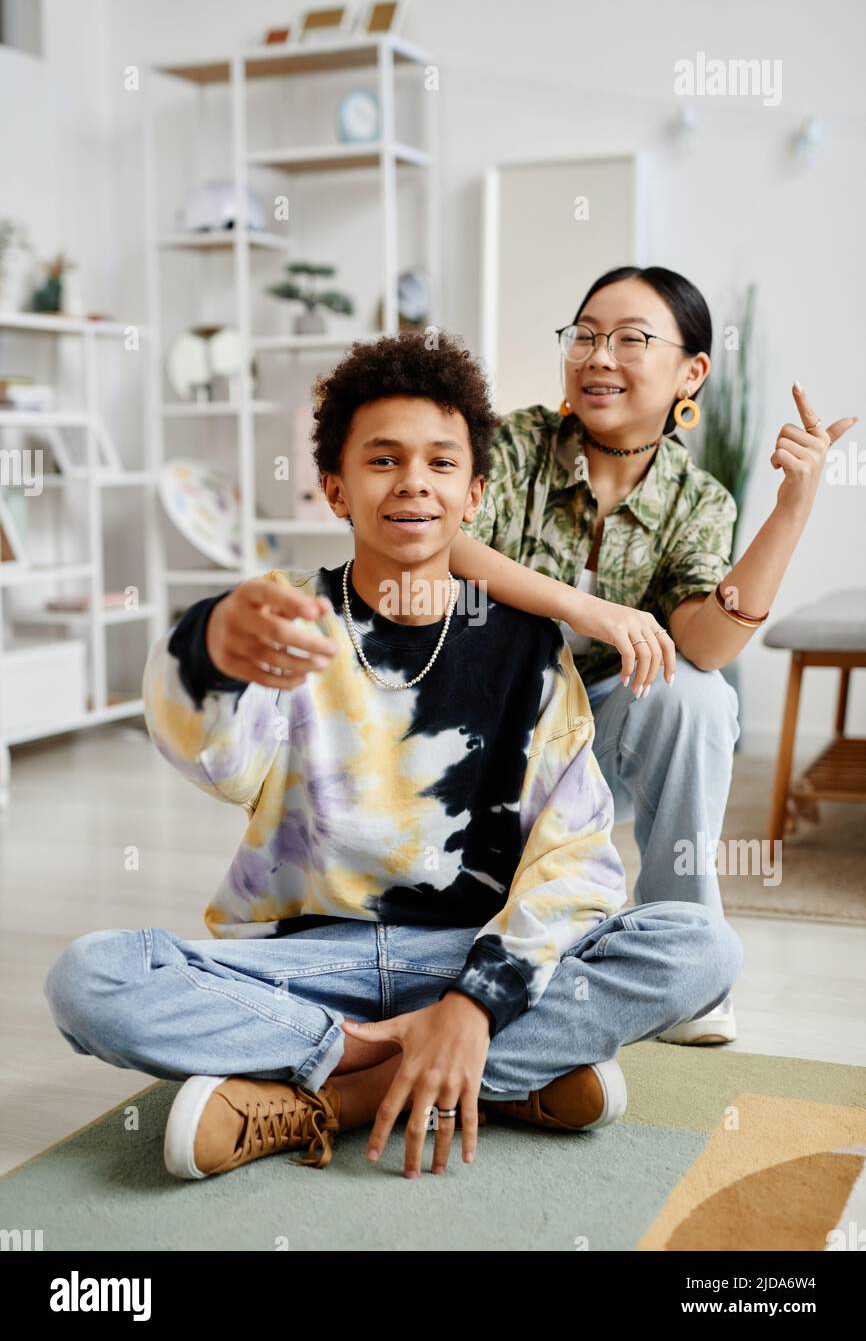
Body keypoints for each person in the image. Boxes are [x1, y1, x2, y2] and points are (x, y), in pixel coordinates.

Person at [43, 330, 743, 1182]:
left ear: (475, 492)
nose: (414, 482)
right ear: (335, 488)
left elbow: (577, 861)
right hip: (303, 964)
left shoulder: (527, 646)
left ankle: (333, 1097)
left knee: (699, 946)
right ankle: (458, 1070)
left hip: (463, 949)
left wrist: (476, 1000)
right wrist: (207, 649)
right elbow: (219, 765)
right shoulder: (286, 619)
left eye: (441, 464)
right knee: (92, 977)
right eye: (382, 461)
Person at [448, 265, 856, 1047]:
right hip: (482, 735)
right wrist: (586, 607)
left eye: (631, 340)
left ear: (690, 372)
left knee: (697, 694)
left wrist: (792, 510)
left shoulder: (697, 501)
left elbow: (705, 642)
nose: (600, 357)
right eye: (586, 336)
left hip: (592, 747)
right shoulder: (516, 443)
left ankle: (684, 954)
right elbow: (448, 540)